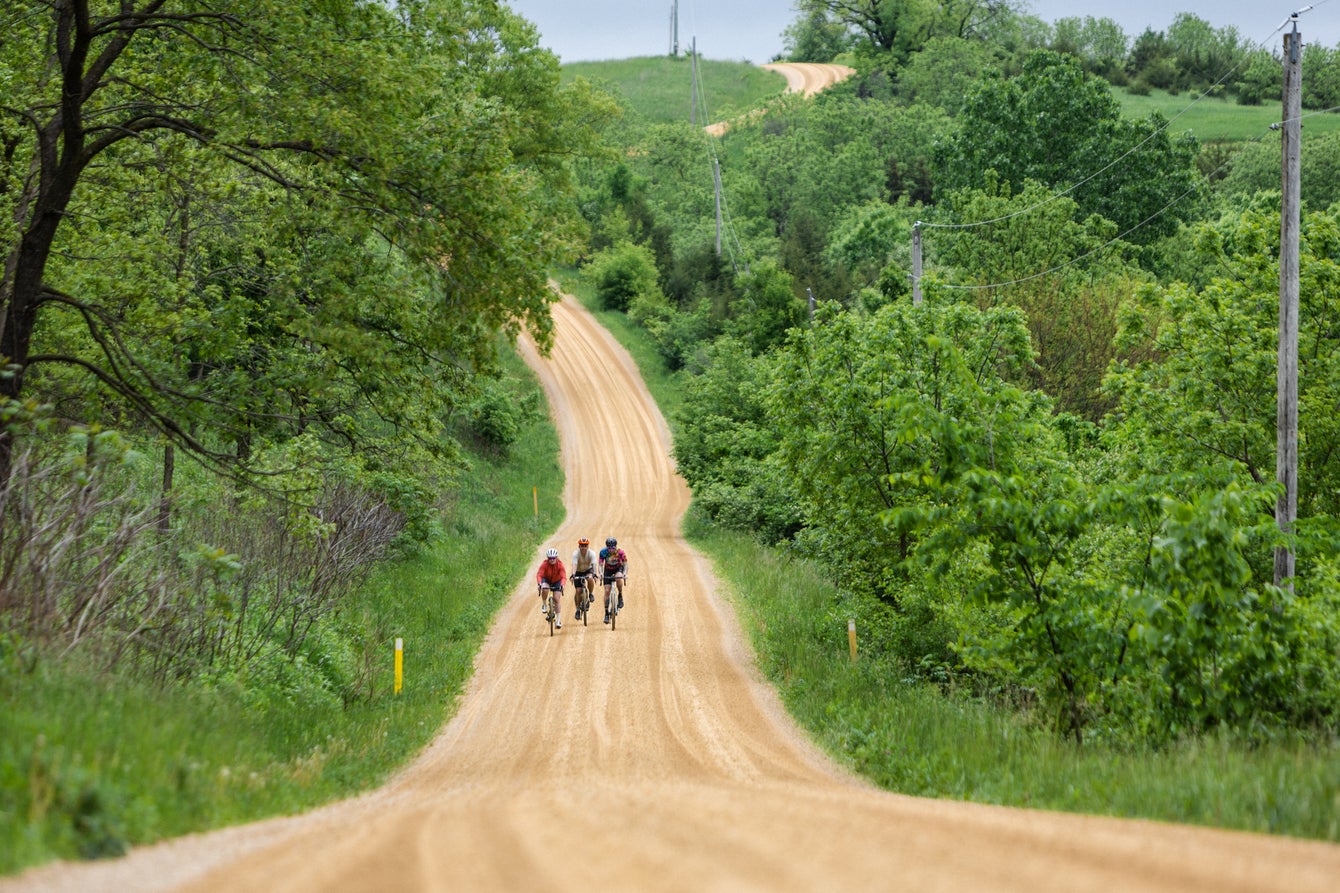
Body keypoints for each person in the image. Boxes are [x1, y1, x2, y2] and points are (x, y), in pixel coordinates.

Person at [535, 547, 567, 629]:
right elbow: (539, 574)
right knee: (545, 589)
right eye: (550, 558)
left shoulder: (560, 565)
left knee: (556, 599)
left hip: (557, 580)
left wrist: (562, 585)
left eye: (553, 558)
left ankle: (558, 620)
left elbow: (563, 576)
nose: (552, 560)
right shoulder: (545, 564)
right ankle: (544, 604)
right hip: (547, 579)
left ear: (556, 558)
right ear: (547, 558)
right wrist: (539, 583)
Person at [599, 536, 628, 624]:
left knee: (618, 578)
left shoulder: (620, 552)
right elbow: (600, 564)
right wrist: (600, 573)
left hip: (618, 569)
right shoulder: (603, 552)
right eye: (609, 547)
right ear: (606, 547)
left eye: (613, 547)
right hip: (607, 570)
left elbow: (625, 564)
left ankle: (620, 595)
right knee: (607, 591)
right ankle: (606, 613)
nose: (611, 549)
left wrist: (625, 574)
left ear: (615, 547)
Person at [570, 537, 598, 619]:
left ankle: (591, 593)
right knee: (578, 590)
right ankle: (578, 609)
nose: (583, 547)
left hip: (588, 570)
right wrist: (573, 574)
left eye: (585, 546)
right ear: (579, 546)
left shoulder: (591, 553)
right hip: (578, 571)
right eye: (582, 546)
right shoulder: (575, 554)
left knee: (590, 578)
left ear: (588, 546)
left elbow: (594, 564)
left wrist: (595, 574)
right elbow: (574, 564)